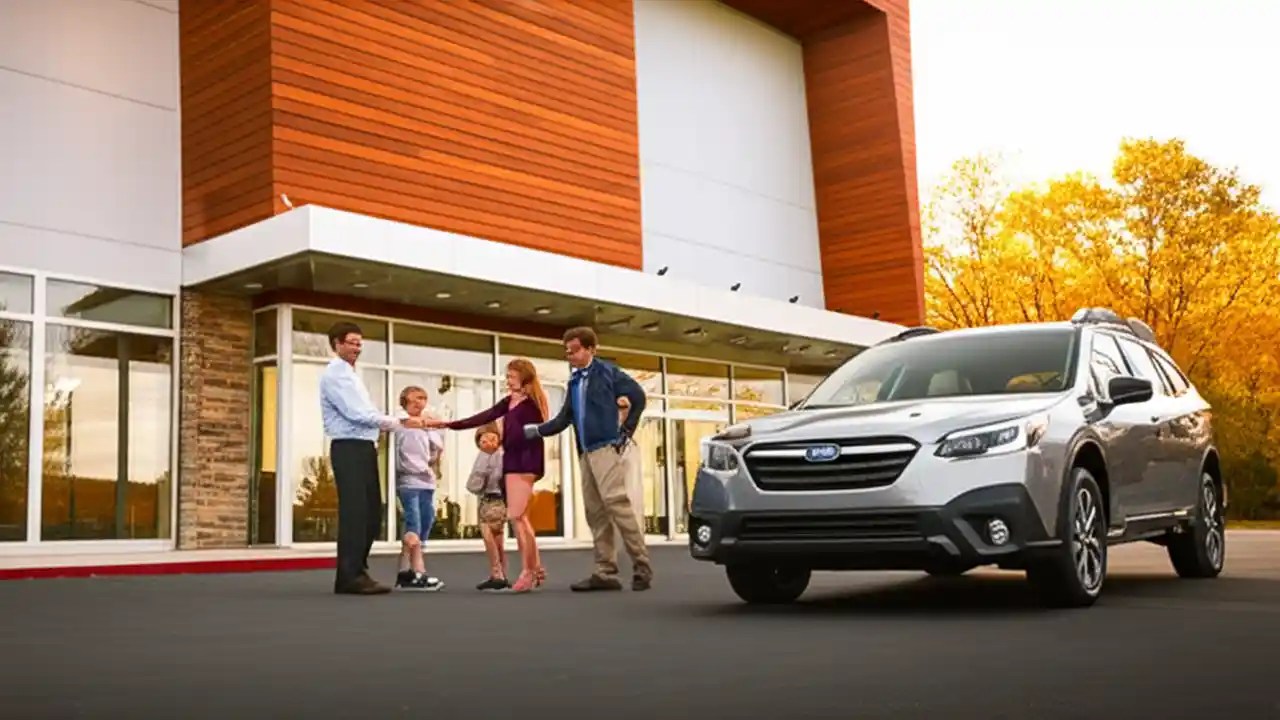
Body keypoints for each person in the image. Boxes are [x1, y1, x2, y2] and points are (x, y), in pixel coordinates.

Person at [524, 327, 653, 592]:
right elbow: (564, 418)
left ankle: (642, 566)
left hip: (605, 447)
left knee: (617, 504)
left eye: (574, 351)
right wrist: (538, 430)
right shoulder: (573, 382)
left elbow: (638, 397)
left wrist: (625, 432)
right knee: (595, 512)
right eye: (567, 352)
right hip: (585, 451)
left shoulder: (607, 372)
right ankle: (604, 572)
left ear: (590, 349)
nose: (569, 356)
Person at [428, 358, 550, 594]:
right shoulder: (509, 402)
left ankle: (529, 571)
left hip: (525, 464)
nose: (508, 379)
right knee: (521, 517)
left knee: (517, 517)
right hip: (512, 464)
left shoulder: (531, 406)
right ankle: (535, 568)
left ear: (524, 377)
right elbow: (482, 417)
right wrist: (448, 424)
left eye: (512, 375)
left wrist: (503, 438)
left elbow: (529, 436)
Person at [320, 321, 424, 595]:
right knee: (355, 514)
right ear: (337, 344)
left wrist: (398, 421)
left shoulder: (353, 376)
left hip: (364, 447)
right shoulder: (335, 375)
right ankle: (349, 576)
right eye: (351, 342)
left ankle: (358, 571)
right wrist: (402, 421)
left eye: (359, 342)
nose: (357, 347)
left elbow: (367, 412)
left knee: (370, 513)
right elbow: (358, 415)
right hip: (349, 448)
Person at [392, 385, 446, 592]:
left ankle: (405, 573)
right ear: (404, 401)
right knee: (413, 524)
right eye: (414, 399)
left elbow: (436, 450)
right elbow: (406, 456)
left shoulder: (426, 426)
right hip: (409, 482)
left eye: (423, 398)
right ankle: (418, 572)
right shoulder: (402, 422)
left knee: (424, 524)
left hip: (427, 482)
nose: (419, 402)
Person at [467, 423, 509, 591]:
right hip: (496, 501)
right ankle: (501, 574)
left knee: (488, 535)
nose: (488, 444)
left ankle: (497, 572)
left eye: (492, 439)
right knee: (498, 538)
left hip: (492, 500)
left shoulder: (489, 457)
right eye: (483, 441)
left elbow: (474, 485)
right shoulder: (500, 455)